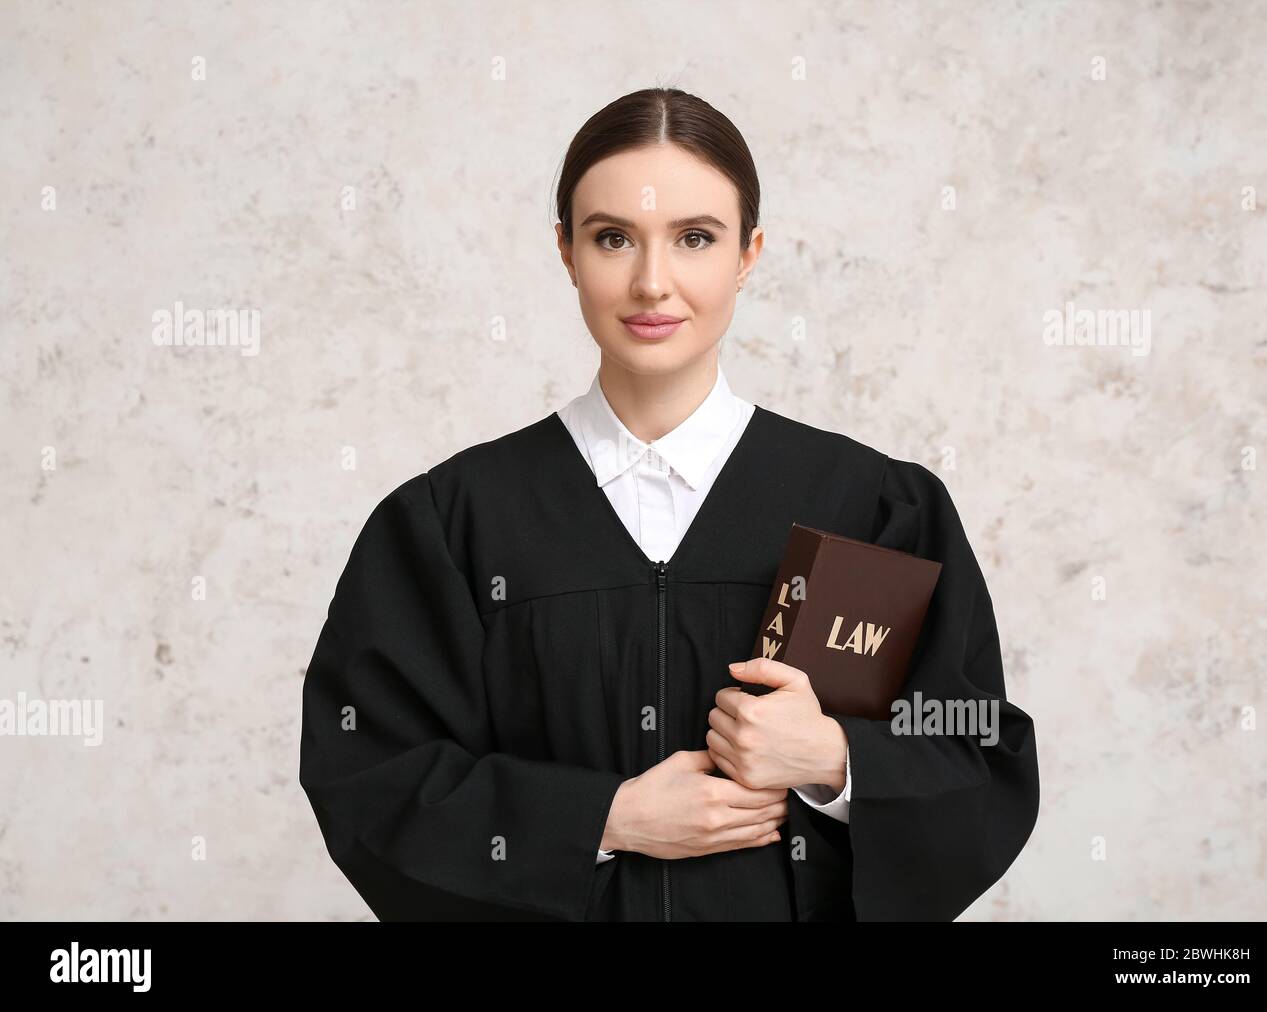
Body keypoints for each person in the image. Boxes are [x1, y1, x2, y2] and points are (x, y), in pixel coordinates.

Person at [298, 87, 1039, 921]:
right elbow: (368, 777)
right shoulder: (451, 524)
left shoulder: (875, 508)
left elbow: (979, 755)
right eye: (613, 237)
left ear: (749, 254)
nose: (654, 283)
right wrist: (605, 819)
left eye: (695, 238)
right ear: (567, 252)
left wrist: (838, 760)